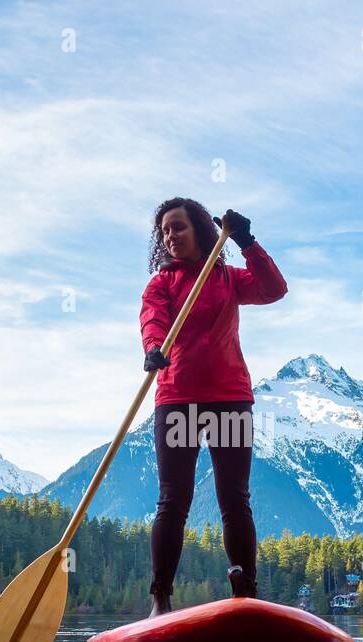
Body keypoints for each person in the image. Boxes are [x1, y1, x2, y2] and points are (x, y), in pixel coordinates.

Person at [139, 198, 288, 617]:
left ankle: (246, 589)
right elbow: (153, 321)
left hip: (229, 400)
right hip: (178, 401)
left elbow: (274, 289)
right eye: (165, 231)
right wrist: (153, 348)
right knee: (173, 501)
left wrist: (246, 241)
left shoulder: (227, 278)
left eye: (178, 227)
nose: (170, 236)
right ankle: (160, 598)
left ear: (202, 230)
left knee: (234, 500)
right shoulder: (161, 284)